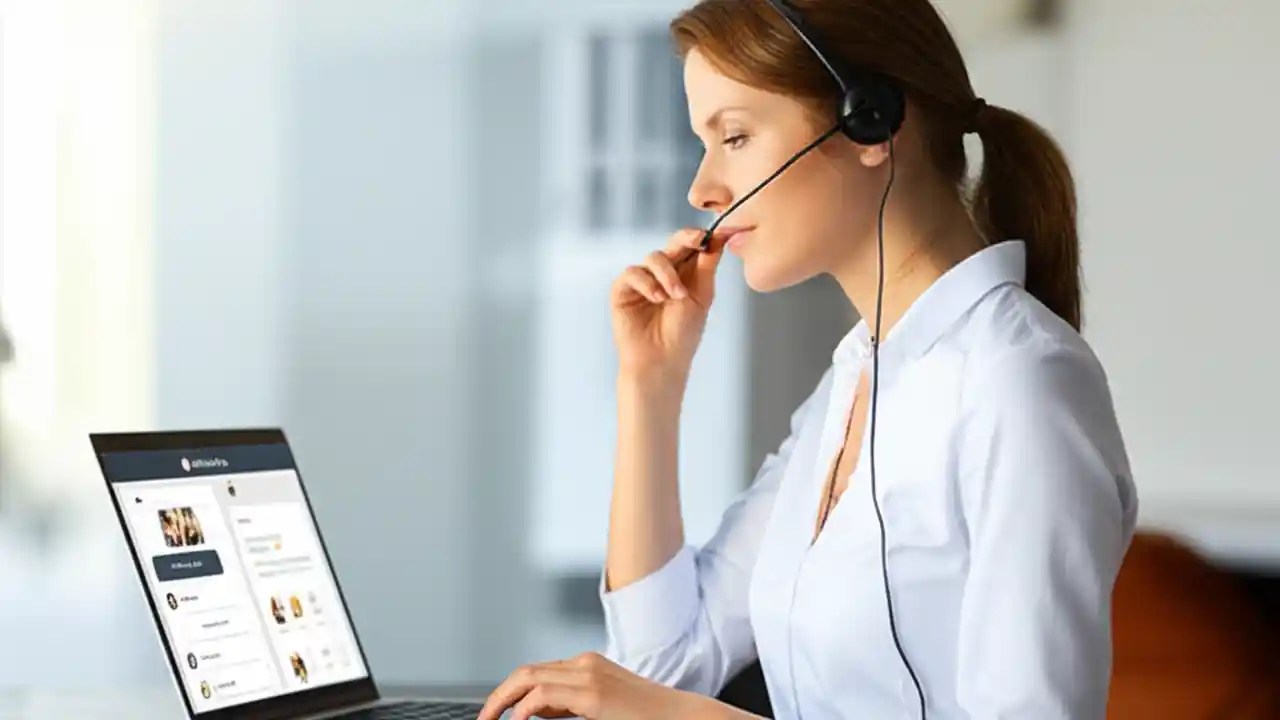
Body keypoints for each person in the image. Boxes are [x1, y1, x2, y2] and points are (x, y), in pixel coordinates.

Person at [479, 0, 1137, 718]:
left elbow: (666, 702)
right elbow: (661, 665)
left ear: (869, 123)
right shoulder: (853, 383)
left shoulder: (1019, 381)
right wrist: (650, 387)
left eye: (735, 136)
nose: (701, 189)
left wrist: (692, 716)